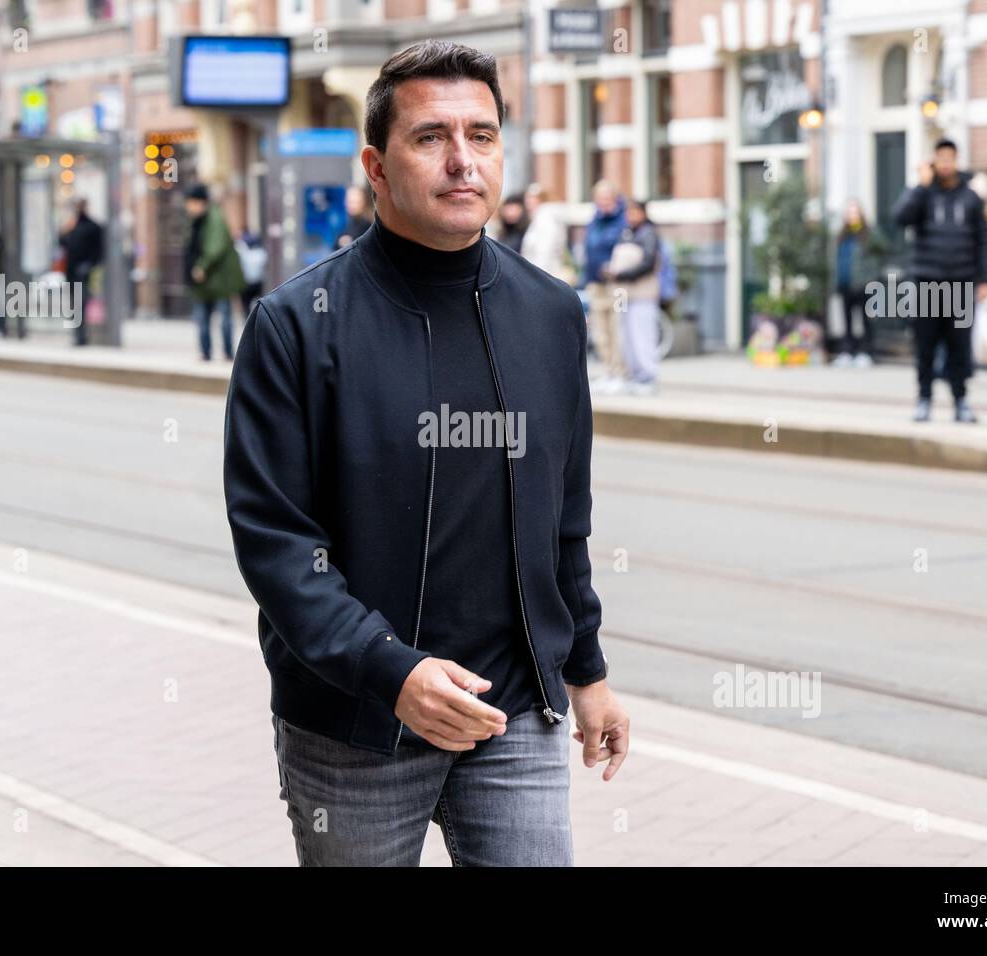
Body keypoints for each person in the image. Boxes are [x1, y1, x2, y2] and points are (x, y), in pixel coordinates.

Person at [223, 39, 628, 867]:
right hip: (357, 728)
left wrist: (585, 671)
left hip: (514, 717)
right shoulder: (297, 327)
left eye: (481, 136)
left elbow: (566, 521)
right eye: (429, 138)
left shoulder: (551, 315)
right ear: (376, 165)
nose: (460, 162)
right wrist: (389, 672)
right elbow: (276, 546)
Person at [892, 138, 987, 423]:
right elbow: (900, 218)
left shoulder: (971, 198)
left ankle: (960, 401)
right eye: (941, 158)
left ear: (956, 160)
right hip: (927, 282)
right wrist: (921, 186)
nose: (946, 164)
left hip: (961, 283)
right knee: (925, 345)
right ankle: (923, 399)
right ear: (934, 161)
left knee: (959, 347)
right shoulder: (923, 194)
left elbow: (983, 241)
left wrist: (986, 279)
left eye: (951, 158)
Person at [602, 198, 660, 395]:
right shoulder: (626, 233)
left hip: (640, 292)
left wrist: (621, 274)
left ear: (643, 213)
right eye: (629, 212)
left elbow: (648, 263)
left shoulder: (648, 234)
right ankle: (630, 375)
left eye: (635, 212)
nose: (631, 216)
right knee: (623, 334)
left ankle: (647, 376)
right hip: (621, 293)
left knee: (641, 334)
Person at [184, 183, 245, 361]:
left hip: (219, 278)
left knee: (224, 317)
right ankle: (205, 352)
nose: (188, 207)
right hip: (204, 281)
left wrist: (202, 266)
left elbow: (215, 247)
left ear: (201, 202)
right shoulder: (196, 220)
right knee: (203, 317)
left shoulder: (214, 218)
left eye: (191, 203)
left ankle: (227, 352)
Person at [582, 180, 629, 393]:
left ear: (615, 198)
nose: (603, 202)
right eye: (599, 198)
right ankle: (609, 371)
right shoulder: (594, 220)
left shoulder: (624, 221)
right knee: (600, 330)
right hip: (596, 283)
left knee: (618, 327)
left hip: (618, 286)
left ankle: (621, 373)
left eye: (607, 198)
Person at [831, 199, 885, 368]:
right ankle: (847, 352)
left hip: (864, 285)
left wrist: (873, 275)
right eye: (849, 212)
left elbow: (882, 251)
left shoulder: (870, 233)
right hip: (845, 284)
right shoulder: (841, 235)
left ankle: (866, 352)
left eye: (855, 212)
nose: (852, 216)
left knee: (866, 320)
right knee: (847, 321)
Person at [58, 199, 104, 347]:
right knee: (74, 305)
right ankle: (78, 334)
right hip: (71, 273)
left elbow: (99, 250)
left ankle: (82, 335)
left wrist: (89, 265)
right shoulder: (73, 226)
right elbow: (63, 243)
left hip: (83, 273)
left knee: (82, 303)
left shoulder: (92, 227)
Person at [519, 182, 571, 283]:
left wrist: (536, 279)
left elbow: (544, 253)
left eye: (533, 198)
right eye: (528, 198)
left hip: (544, 276)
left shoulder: (545, 220)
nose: (528, 202)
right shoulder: (538, 218)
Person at [235, 228, 267, 322]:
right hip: (258, 282)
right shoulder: (261, 253)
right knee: (260, 305)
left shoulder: (242, 252)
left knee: (246, 306)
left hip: (246, 283)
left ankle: (247, 321)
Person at [335, 184, 374, 249]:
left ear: (363, 201)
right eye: (349, 201)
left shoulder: (368, 224)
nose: (351, 205)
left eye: (355, 202)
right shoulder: (347, 222)